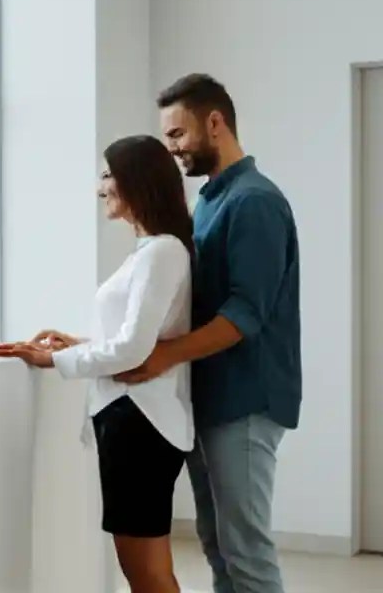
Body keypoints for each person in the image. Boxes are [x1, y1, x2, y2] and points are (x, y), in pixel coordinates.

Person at [116, 74, 300, 593]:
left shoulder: (255, 202)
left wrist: (161, 357)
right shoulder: (212, 202)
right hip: (212, 398)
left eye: (176, 135)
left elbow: (245, 313)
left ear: (214, 123)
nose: (171, 149)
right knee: (219, 547)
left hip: (245, 401)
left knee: (245, 552)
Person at [0, 135, 195, 593]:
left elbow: (133, 350)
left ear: (136, 181)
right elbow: (134, 339)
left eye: (107, 175)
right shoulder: (151, 251)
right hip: (132, 422)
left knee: (145, 570)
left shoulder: (163, 251)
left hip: (141, 425)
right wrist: (81, 342)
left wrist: (56, 357)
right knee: (142, 568)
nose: (99, 187)